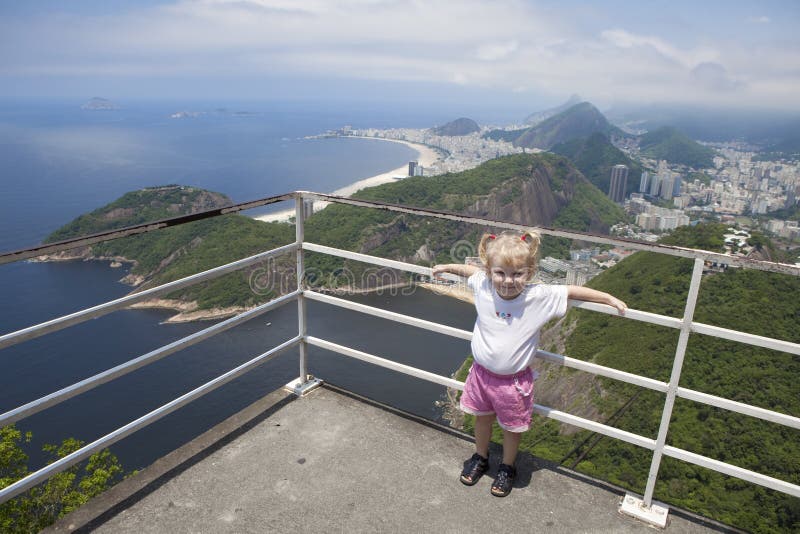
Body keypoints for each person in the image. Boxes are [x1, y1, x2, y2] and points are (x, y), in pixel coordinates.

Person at [432, 230, 627, 497]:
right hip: (480, 375)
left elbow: (572, 290)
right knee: (482, 420)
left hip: (512, 383)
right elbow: (468, 270)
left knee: (512, 428)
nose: (508, 281)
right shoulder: (484, 284)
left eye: (517, 274)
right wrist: (446, 267)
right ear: (489, 271)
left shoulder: (539, 296)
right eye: (501, 273)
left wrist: (608, 298)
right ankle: (480, 457)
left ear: (530, 272)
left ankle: (507, 467)